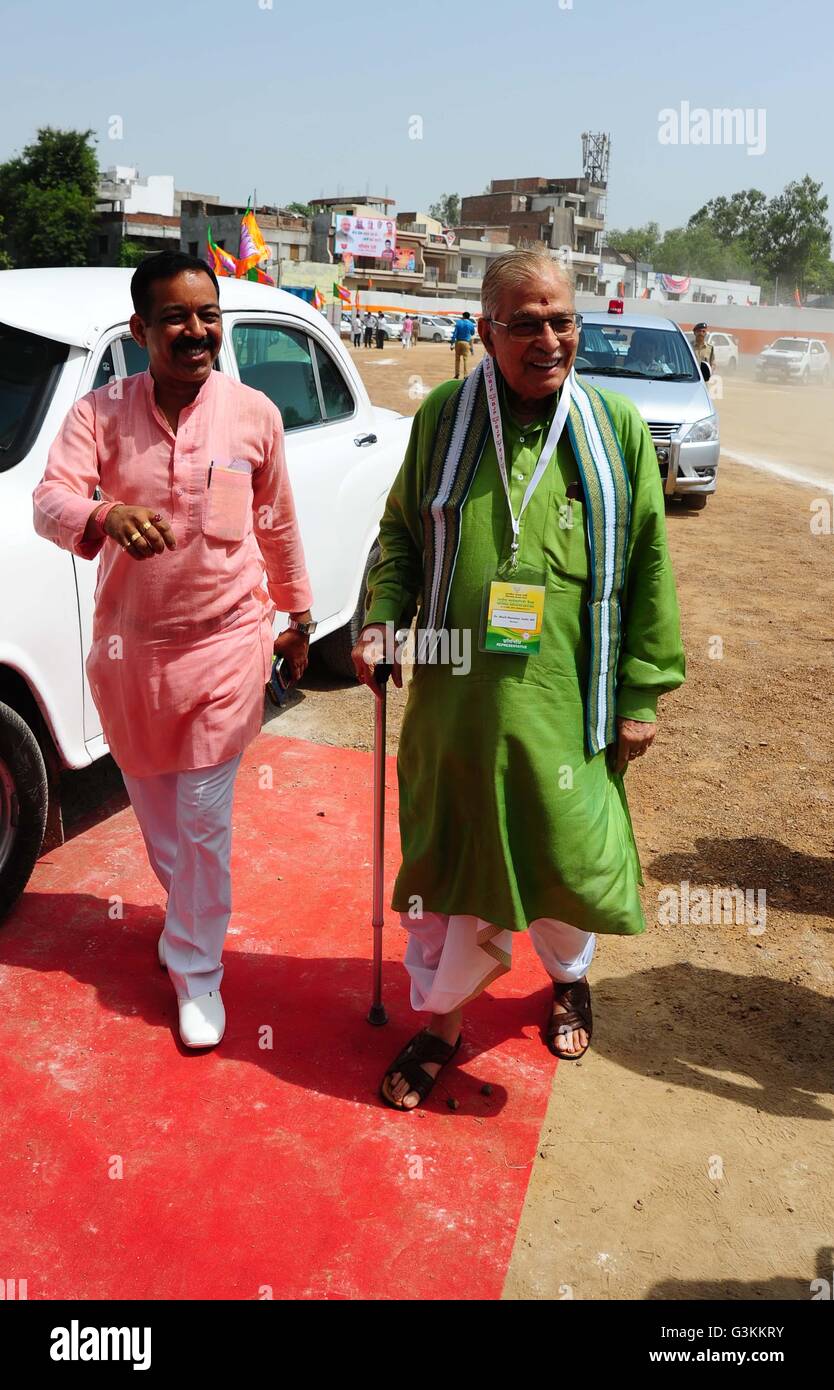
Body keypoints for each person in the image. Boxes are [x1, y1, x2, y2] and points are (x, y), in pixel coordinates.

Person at [351, 247, 685, 1110]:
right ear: (487, 330)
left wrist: (642, 693)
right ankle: (442, 1020)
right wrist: (384, 618)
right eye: (526, 323)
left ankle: (568, 979)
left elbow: (648, 560)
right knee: (442, 869)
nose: (548, 338)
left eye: (562, 320)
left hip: (567, 704)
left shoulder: (612, 428)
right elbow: (399, 536)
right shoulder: (443, 418)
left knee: (563, 858)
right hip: (454, 705)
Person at [33, 251, 314, 1050]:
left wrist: (297, 614)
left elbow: (277, 523)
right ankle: (185, 918)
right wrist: (103, 515)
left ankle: (197, 972)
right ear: (140, 330)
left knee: (201, 817)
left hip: (227, 644)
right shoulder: (100, 413)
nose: (196, 331)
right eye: (176, 318)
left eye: (208, 315)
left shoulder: (255, 414)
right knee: (158, 817)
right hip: (129, 658)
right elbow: (48, 498)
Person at [450, 310, 477, 378]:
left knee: (457, 359)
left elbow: (455, 333)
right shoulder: (471, 324)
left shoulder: (458, 322)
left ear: (463, 316)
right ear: (469, 317)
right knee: (465, 359)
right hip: (466, 343)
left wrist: (452, 343)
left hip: (458, 342)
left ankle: (457, 374)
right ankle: (465, 375)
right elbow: (472, 333)